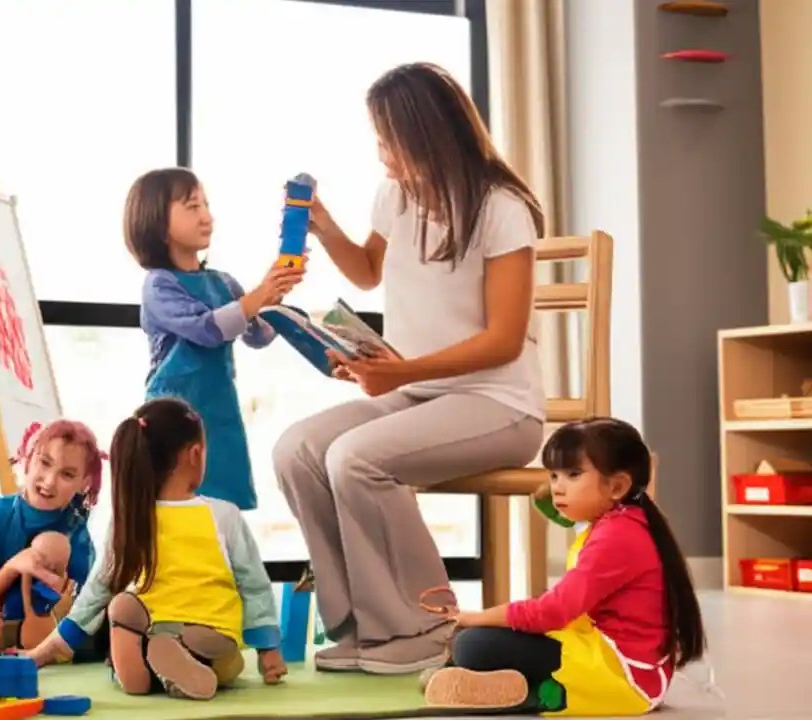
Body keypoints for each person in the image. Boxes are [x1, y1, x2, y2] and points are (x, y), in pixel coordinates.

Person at [272, 61, 547, 675]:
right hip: (420, 393)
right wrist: (322, 223)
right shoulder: (394, 196)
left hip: (498, 405)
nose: (380, 154)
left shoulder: (501, 208)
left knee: (355, 458)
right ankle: (359, 626)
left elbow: (504, 342)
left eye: (387, 138)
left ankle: (423, 624)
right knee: (296, 449)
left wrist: (401, 373)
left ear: (422, 134)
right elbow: (369, 270)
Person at [424, 418, 706, 716]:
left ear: (617, 486)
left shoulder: (616, 537)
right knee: (472, 642)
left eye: (573, 475)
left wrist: (476, 617)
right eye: (554, 476)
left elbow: (552, 612)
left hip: (619, 676)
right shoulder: (623, 521)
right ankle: (501, 683)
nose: (557, 488)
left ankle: (533, 693)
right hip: (602, 652)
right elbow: (562, 513)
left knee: (474, 645)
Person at [23, 398, 287, 701]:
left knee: (123, 611)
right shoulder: (223, 515)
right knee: (231, 664)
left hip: (149, 628)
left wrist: (38, 655)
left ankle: (138, 657)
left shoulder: (131, 520)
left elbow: (95, 595)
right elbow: (253, 586)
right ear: (196, 454)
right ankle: (181, 655)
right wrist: (269, 650)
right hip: (212, 638)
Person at [125, 167, 305, 511]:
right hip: (170, 415)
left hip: (219, 412)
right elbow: (208, 329)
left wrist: (275, 296)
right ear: (158, 223)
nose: (207, 217)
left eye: (206, 205)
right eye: (192, 207)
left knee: (223, 507)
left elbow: (257, 335)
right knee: (174, 505)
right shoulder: (159, 285)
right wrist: (259, 296)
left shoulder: (223, 282)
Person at [0, 418, 107, 660]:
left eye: (67, 474)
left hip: (48, 654)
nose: (49, 481)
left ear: (84, 483)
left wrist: (62, 598)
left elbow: (85, 616)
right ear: (28, 457)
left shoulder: (78, 536)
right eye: (44, 463)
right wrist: (13, 568)